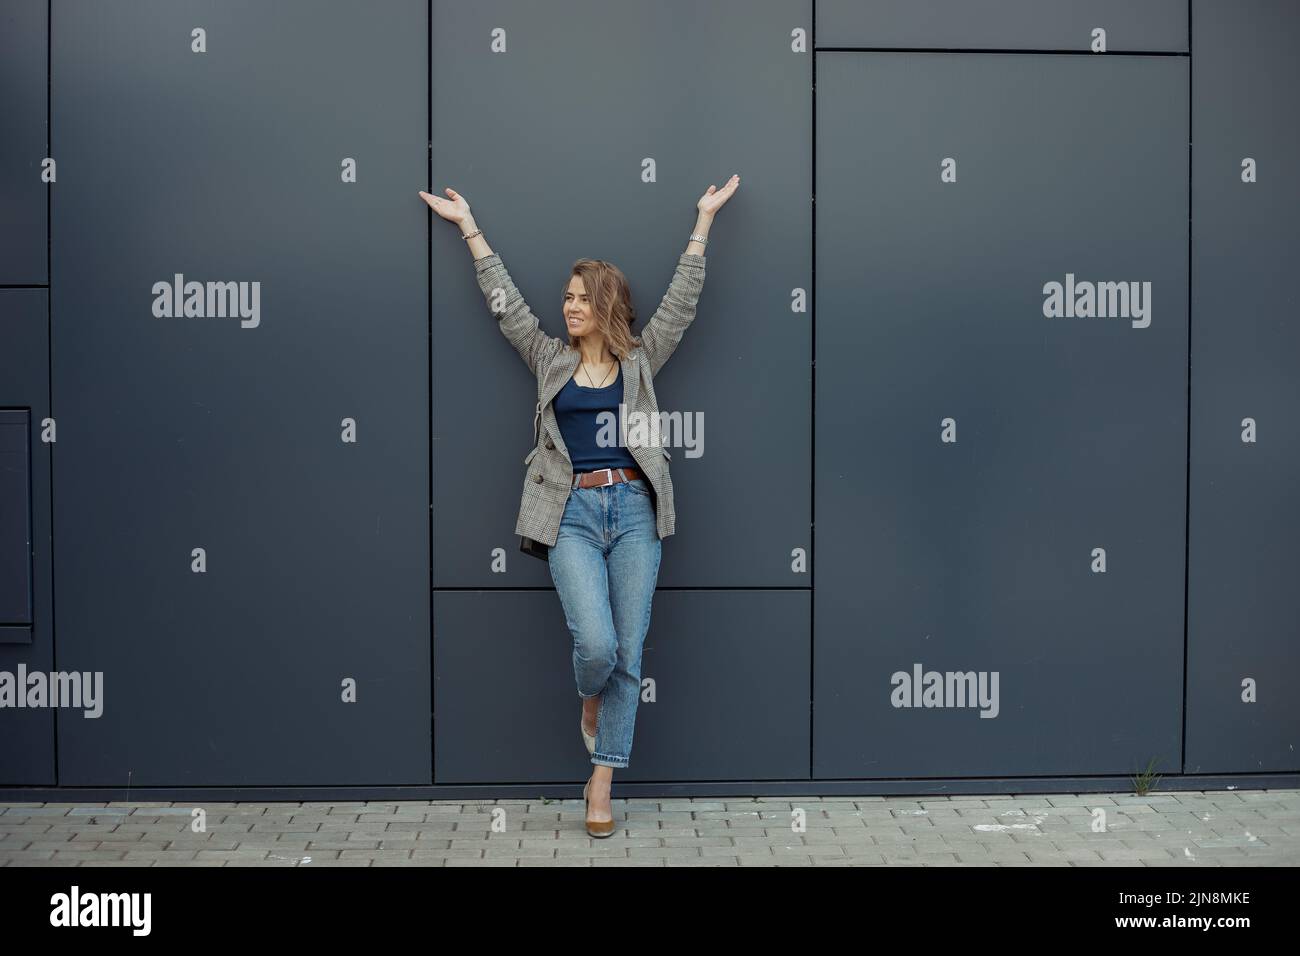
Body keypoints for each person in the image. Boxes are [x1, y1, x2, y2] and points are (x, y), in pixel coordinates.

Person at [419, 174, 740, 837]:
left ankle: (601, 783)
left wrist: (703, 222)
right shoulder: (548, 361)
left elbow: (681, 303)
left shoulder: (640, 361)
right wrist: (468, 227)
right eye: (565, 297)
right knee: (596, 646)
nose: (568, 307)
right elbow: (506, 306)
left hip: (635, 514)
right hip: (567, 513)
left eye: (581, 299)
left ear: (607, 305)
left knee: (630, 650)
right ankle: (589, 701)